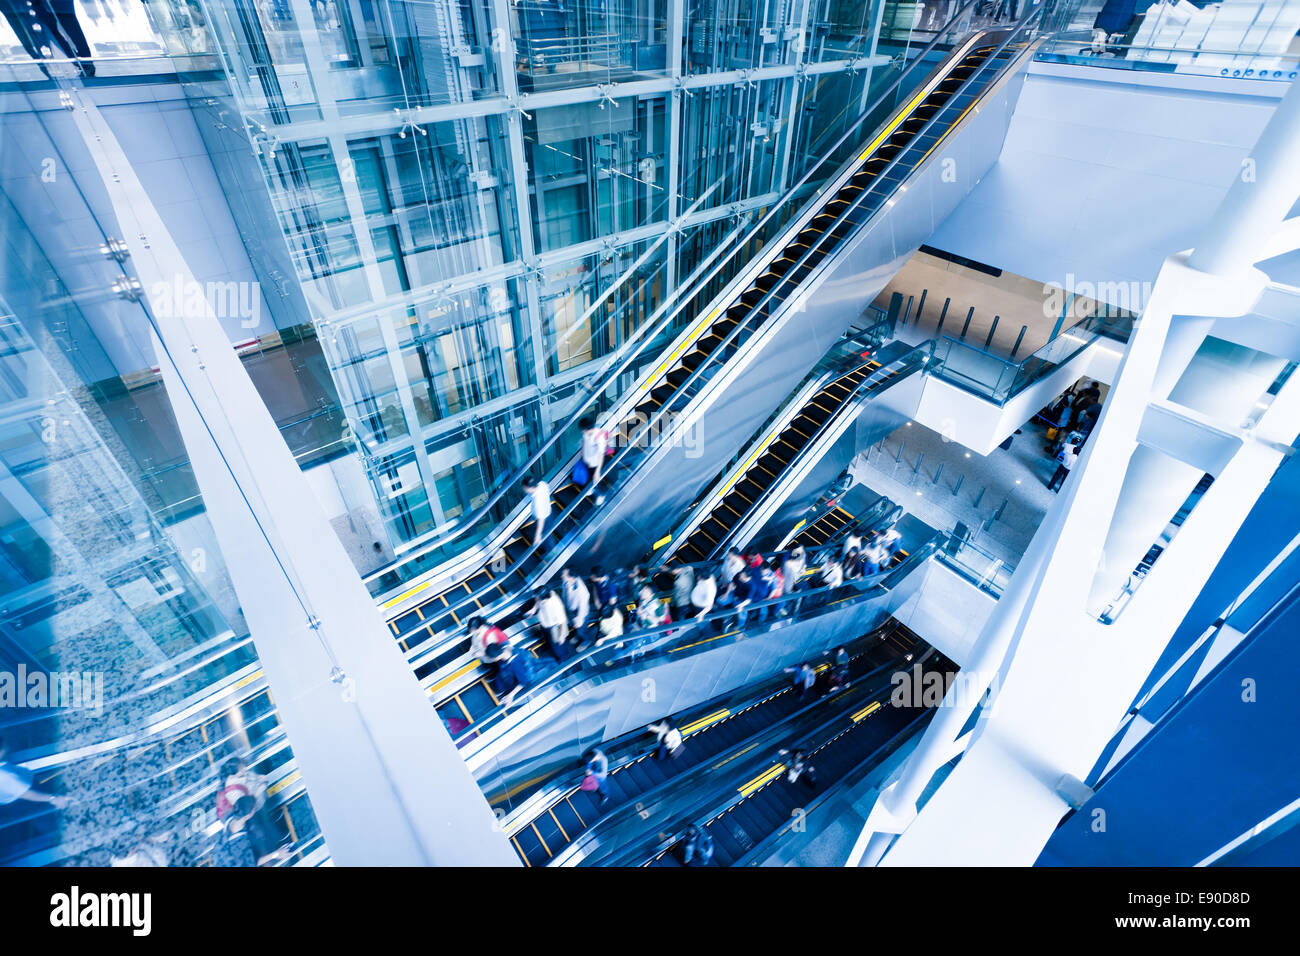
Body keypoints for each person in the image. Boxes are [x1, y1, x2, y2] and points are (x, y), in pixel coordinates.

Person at [0, 735, 69, 809]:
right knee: (42, 786)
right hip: (23, 792)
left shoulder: (6, 774)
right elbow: (27, 794)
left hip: (18, 783)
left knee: (41, 779)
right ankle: (61, 772)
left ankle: (58, 772)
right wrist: (53, 799)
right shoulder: (6, 776)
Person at [227, 795, 292, 865]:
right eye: (254, 809)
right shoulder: (241, 841)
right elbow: (252, 863)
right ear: (247, 816)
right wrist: (276, 854)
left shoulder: (230, 820)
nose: (255, 810)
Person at [487, 641, 534, 706]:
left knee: (505, 683)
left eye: (491, 658)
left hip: (510, 677)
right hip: (504, 672)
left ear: (496, 657)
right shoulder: (503, 646)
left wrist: (510, 695)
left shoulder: (516, 665)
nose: (490, 659)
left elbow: (523, 682)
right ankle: (498, 687)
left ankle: (501, 690)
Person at [578, 415, 610, 505]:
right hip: (587, 460)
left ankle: (601, 494)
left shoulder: (599, 438)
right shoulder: (586, 433)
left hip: (595, 463)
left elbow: (601, 455)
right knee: (588, 474)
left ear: (588, 429)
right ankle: (591, 488)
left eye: (583, 430)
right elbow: (584, 441)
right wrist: (582, 452)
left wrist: (597, 471)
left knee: (596, 479)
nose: (582, 432)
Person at [532, 587, 570, 660]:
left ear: (544, 599)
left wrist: (561, 636)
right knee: (550, 641)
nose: (536, 599)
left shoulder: (555, 606)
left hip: (554, 628)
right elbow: (537, 600)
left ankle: (565, 659)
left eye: (538, 598)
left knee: (557, 647)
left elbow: (562, 622)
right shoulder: (546, 594)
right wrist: (534, 609)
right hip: (545, 625)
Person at [561, 566, 592, 647]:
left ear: (572, 577)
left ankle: (586, 640)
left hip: (579, 613)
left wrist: (578, 621)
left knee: (581, 629)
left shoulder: (582, 592)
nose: (562, 576)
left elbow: (582, 608)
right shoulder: (566, 582)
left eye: (564, 574)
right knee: (576, 628)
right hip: (571, 609)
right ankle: (578, 636)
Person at [521, 474, 551, 548]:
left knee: (547, 538)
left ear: (530, 488)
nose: (523, 489)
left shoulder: (538, 502)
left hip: (544, 519)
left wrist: (538, 535)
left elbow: (541, 519)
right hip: (548, 511)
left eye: (524, 488)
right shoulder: (542, 484)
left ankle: (552, 552)